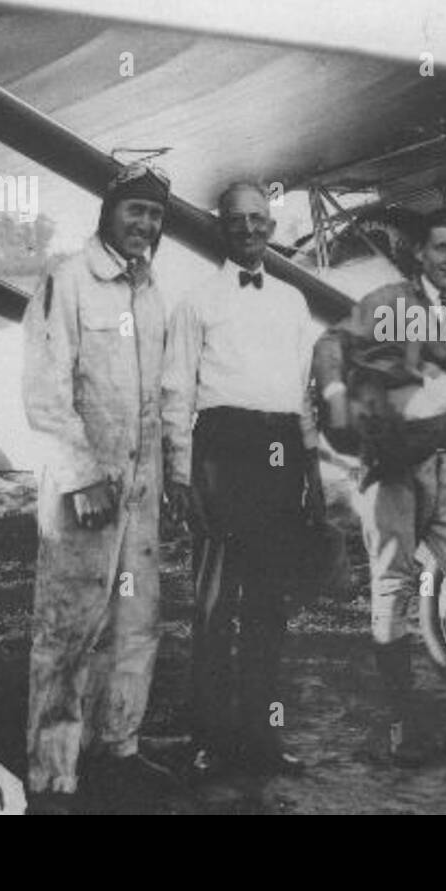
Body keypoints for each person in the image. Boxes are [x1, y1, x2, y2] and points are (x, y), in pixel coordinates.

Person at [313, 208, 446, 766]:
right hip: (393, 472)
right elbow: (330, 346)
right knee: (392, 592)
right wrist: (338, 407)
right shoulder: (388, 303)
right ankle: (403, 723)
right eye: (441, 248)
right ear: (421, 253)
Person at [21, 163, 174, 814]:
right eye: (135, 210)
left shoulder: (151, 289)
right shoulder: (66, 281)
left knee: (137, 624)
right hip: (83, 493)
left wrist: (169, 480)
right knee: (68, 629)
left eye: (155, 215)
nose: (145, 224)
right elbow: (45, 395)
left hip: (140, 495)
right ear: (109, 211)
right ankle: (53, 773)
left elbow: (159, 394)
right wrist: (82, 476)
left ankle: (121, 747)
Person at [162, 181, 325, 779]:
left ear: (273, 227)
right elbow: (176, 393)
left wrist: (312, 474)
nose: (251, 229)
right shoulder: (195, 302)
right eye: (238, 221)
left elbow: (303, 398)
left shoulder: (291, 302)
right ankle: (208, 738)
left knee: (267, 607)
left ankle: (261, 738)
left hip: (279, 452)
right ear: (221, 228)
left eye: (260, 219)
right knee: (213, 605)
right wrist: (181, 477)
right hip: (221, 453)